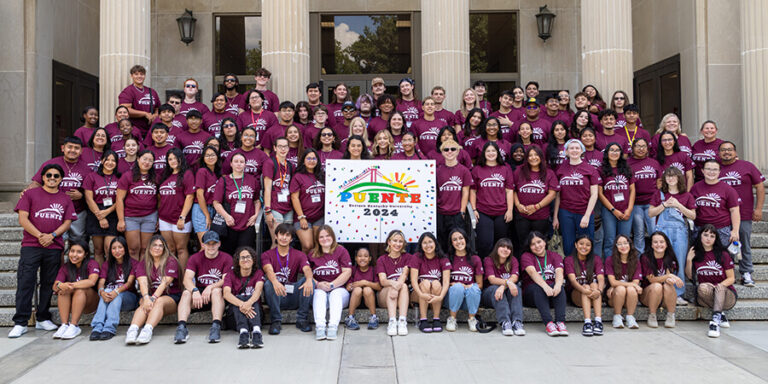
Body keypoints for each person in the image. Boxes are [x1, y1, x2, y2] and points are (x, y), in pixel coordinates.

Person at [9, 164, 77, 338]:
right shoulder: (30, 194)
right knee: (26, 281)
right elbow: (22, 219)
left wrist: (52, 235)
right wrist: (40, 235)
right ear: (43, 177)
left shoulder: (65, 198)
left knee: (48, 283)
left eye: (56, 176)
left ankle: (42, 317)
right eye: (49, 175)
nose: (52, 178)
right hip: (31, 245)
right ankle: (21, 321)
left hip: (53, 247)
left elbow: (67, 222)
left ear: (61, 179)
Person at [718, 141, 765, 287]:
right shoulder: (715, 168)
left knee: (744, 242)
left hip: (744, 212)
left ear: (735, 152)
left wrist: (758, 209)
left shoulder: (747, 166)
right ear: (719, 153)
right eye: (723, 150)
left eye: (730, 150)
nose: (727, 152)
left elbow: (760, 187)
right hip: (722, 214)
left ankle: (746, 272)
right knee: (725, 243)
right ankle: (728, 273)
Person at [28, 136, 91, 242]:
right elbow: (37, 183)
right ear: (63, 148)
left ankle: (75, 259)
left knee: (78, 241)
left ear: (81, 151)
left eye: (76, 148)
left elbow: (92, 190)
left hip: (78, 211)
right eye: (69, 147)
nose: (72, 150)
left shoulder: (86, 168)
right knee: (58, 242)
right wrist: (27, 192)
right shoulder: (50, 164)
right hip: (56, 212)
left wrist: (82, 195)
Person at [174, 231, 233, 344]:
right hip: (199, 295)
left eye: (214, 243)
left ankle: (216, 326)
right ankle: (181, 327)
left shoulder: (226, 258)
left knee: (217, 291)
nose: (211, 246)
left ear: (219, 244)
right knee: (186, 293)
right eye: (208, 244)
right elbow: (186, 279)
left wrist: (210, 287)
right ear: (203, 245)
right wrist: (194, 290)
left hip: (216, 295)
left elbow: (226, 280)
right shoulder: (195, 258)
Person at [649, 166, 697, 302]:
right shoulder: (659, 194)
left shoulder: (686, 195)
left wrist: (678, 205)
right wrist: (664, 205)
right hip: (663, 232)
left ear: (679, 178)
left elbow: (693, 215)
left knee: (680, 261)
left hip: (680, 232)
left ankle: (678, 294)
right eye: (668, 176)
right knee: (665, 262)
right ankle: (664, 291)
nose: (670, 178)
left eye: (673, 176)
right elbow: (651, 213)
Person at [125, 235, 182, 344]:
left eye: (161, 246)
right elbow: (142, 282)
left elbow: (164, 283)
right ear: (149, 248)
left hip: (171, 297)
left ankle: (147, 330)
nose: (157, 248)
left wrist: (152, 298)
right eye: (154, 245)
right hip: (150, 296)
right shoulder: (144, 262)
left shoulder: (171, 261)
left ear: (165, 248)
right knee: (143, 303)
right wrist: (146, 298)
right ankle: (132, 330)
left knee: (158, 301)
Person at [686, 224, 737, 338]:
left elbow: (731, 278)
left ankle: (714, 323)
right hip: (706, 294)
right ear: (700, 236)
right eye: (705, 235)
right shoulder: (696, 254)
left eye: (712, 236)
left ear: (716, 239)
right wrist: (689, 260)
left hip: (727, 294)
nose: (708, 238)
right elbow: (690, 276)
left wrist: (717, 287)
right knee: (702, 287)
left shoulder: (723, 254)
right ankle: (719, 314)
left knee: (719, 288)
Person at [262, 223, 314, 334]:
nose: (284, 238)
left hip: (292, 294)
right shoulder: (267, 254)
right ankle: (276, 321)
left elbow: (307, 269)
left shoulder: (299, 254)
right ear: (276, 236)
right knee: (268, 284)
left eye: (287, 235)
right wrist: (275, 281)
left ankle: (302, 319)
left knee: (309, 281)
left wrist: (309, 279)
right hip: (277, 295)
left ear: (291, 239)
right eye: (281, 234)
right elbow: (268, 270)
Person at [553, 139, 601, 257]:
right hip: (566, 212)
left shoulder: (590, 169)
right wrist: (555, 217)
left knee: (586, 243)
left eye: (577, 148)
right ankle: (571, 272)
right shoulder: (560, 169)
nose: (574, 150)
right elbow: (558, 195)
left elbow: (594, 194)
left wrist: (587, 215)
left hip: (584, 211)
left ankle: (587, 272)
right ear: (566, 152)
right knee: (568, 244)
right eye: (571, 148)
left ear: (582, 151)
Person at [470, 142, 514, 258]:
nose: (491, 153)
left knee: (500, 244)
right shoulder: (477, 170)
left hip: (502, 212)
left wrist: (510, 210)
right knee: (485, 243)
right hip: (483, 211)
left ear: (497, 153)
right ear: (483, 153)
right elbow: (473, 191)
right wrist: (474, 210)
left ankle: (498, 270)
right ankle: (484, 268)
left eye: (493, 151)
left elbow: (509, 191)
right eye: (488, 151)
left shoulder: (505, 169)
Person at [309, 226, 352, 340]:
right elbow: (307, 275)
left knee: (335, 294)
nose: (325, 239)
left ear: (332, 237)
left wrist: (332, 285)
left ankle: (333, 326)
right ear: (317, 239)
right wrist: (318, 284)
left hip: (339, 290)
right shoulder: (312, 254)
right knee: (318, 293)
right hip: (321, 289)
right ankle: (320, 327)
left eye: (328, 236)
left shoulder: (341, 250)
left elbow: (347, 272)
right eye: (321, 237)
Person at [89, 237, 138, 340]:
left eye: (120, 247)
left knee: (117, 295)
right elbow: (101, 282)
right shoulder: (107, 264)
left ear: (125, 249)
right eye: (114, 248)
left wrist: (116, 291)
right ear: (110, 250)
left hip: (129, 298)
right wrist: (101, 292)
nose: (117, 251)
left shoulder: (133, 263)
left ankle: (109, 328)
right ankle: (97, 328)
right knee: (106, 291)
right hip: (110, 296)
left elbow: (129, 283)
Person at [212, 152, 261, 254]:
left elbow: (256, 200)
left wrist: (256, 215)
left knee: (244, 253)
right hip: (229, 224)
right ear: (231, 164)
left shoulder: (252, 180)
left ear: (245, 164)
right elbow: (216, 202)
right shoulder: (224, 180)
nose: (239, 164)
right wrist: (226, 216)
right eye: (236, 161)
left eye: (241, 162)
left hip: (247, 224)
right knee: (228, 254)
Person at [521, 231, 568, 336]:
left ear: (545, 242)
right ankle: (549, 323)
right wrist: (545, 286)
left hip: (551, 294)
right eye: (533, 244)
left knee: (560, 287)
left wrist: (557, 285)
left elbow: (559, 272)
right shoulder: (526, 256)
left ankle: (560, 322)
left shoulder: (555, 255)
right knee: (538, 287)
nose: (537, 246)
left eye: (539, 242)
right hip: (532, 295)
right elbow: (533, 273)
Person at [513, 146, 558, 254]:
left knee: (540, 244)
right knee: (523, 244)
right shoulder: (519, 171)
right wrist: (518, 205)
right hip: (522, 215)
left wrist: (536, 206)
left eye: (536, 155)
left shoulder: (549, 173)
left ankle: (540, 268)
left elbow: (552, 194)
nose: (533, 158)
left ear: (541, 157)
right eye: (530, 155)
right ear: (527, 158)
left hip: (541, 215)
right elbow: (513, 190)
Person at [50, 240, 99, 340]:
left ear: (85, 254)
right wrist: (61, 285)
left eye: (79, 252)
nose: (74, 255)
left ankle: (74, 325)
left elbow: (92, 281)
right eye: (72, 251)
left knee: (79, 290)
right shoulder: (66, 267)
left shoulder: (92, 263)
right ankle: (64, 325)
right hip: (74, 303)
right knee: (63, 291)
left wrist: (70, 285)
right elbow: (55, 286)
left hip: (92, 302)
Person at [116, 150, 157, 260]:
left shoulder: (156, 177)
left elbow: (160, 199)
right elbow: (119, 199)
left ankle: (142, 274)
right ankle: (133, 274)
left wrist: (158, 218)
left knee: (145, 249)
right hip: (131, 217)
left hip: (150, 216)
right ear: (138, 159)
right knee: (133, 248)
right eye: (144, 159)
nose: (147, 162)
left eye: (150, 160)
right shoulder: (127, 176)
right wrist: (121, 220)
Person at [157, 148, 195, 268]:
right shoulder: (165, 176)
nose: (173, 161)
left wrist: (182, 217)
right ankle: (171, 276)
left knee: (181, 249)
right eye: (170, 159)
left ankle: (183, 279)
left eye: (175, 158)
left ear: (181, 159)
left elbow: (190, 197)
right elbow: (159, 198)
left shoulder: (187, 174)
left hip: (180, 217)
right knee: (170, 249)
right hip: (164, 218)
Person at [599, 142, 636, 257]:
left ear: (621, 153)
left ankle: (624, 268)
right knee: (610, 241)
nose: (614, 153)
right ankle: (611, 269)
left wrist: (629, 209)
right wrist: (613, 210)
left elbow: (632, 190)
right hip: (609, 211)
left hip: (626, 210)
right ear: (607, 153)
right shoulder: (601, 170)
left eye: (617, 150)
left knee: (625, 241)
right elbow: (600, 194)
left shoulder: (627, 169)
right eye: (611, 150)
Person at [223, 246, 265, 348]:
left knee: (251, 297)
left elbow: (258, 291)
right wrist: (243, 304)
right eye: (242, 257)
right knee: (239, 298)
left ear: (253, 259)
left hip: (255, 314)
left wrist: (248, 304)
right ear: (237, 261)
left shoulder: (258, 273)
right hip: (235, 317)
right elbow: (226, 294)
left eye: (248, 257)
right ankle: (244, 332)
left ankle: (256, 332)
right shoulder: (230, 274)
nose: (245, 259)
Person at [690, 159, 740, 245]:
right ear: (702, 171)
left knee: (722, 257)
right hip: (700, 229)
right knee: (700, 257)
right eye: (708, 169)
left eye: (715, 169)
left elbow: (734, 210)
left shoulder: (728, 189)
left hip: (721, 230)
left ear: (720, 171)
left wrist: (735, 230)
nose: (711, 172)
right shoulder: (695, 187)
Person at [434, 139, 472, 252]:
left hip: (456, 213)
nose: (449, 151)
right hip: (441, 213)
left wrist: (462, 211)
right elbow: (435, 191)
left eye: (453, 149)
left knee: (458, 242)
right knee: (442, 242)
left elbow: (465, 192)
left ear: (457, 152)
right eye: (446, 149)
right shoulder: (437, 171)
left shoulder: (464, 171)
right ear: (442, 152)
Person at [482, 238, 525, 336]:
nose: (505, 249)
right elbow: (492, 279)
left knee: (516, 289)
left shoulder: (513, 260)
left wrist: (503, 286)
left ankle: (517, 321)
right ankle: (505, 322)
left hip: (504, 291)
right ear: (497, 248)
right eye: (502, 246)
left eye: (508, 248)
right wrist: (508, 283)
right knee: (497, 288)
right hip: (489, 294)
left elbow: (515, 277)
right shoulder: (489, 260)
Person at [640, 232, 684, 328]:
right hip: (648, 296)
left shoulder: (670, 257)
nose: (659, 244)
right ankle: (652, 315)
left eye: (661, 242)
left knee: (668, 286)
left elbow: (668, 278)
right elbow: (652, 280)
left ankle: (671, 315)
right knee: (657, 286)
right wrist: (669, 276)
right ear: (651, 245)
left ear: (666, 244)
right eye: (655, 242)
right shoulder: (645, 257)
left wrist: (670, 278)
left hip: (664, 297)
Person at [83, 150, 120, 264]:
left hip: (113, 212)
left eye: (113, 160)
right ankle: (99, 277)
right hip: (96, 212)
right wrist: (100, 216)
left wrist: (107, 212)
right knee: (98, 250)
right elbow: (89, 199)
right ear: (102, 161)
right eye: (107, 159)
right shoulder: (92, 176)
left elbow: (121, 199)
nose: (110, 162)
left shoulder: (119, 177)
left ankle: (109, 277)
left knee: (109, 249)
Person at [409, 233, 451, 333]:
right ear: (420, 245)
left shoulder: (443, 258)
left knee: (436, 283)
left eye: (430, 242)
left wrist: (441, 297)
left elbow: (446, 281)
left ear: (435, 243)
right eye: (424, 243)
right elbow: (413, 280)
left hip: (436, 295)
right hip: (418, 294)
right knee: (426, 283)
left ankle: (436, 318)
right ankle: (423, 319)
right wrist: (421, 294)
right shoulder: (416, 257)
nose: (428, 245)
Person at [564, 235, 605, 336]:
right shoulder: (569, 260)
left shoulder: (596, 259)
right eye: (581, 244)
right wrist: (584, 290)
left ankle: (598, 321)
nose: (584, 247)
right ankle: (587, 323)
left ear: (591, 247)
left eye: (588, 245)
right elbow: (573, 281)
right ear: (576, 245)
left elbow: (601, 278)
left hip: (594, 295)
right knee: (586, 286)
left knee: (594, 285)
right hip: (577, 295)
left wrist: (599, 290)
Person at [627, 138, 662, 253]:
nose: (641, 149)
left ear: (647, 148)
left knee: (653, 231)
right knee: (639, 233)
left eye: (643, 146)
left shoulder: (654, 163)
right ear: (632, 148)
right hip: (636, 204)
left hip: (651, 203)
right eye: (638, 146)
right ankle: (640, 258)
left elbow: (659, 182)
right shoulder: (628, 163)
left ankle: (654, 256)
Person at [377, 230, 411, 336]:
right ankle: (392, 321)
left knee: (404, 285)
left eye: (401, 241)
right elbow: (383, 281)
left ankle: (402, 321)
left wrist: (396, 287)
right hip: (385, 295)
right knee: (393, 286)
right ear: (389, 242)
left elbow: (404, 275)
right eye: (395, 241)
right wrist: (393, 284)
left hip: (401, 294)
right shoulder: (382, 259)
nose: (398, 244)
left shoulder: (408, 257)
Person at [290, 149, 325, 254]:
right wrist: (301, 217)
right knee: (308, 245)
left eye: (314, 158)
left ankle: (314, 268)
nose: (311, 161)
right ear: (303, 161)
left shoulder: (322, 175)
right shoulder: (298, 176)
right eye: (308, 158)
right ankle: (303, 266)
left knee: (318, 246)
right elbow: (294, 198)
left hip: (320, 216)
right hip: (303, 217)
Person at [605, 235, 643, 329]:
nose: (623, 246)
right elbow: (613, 282)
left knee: (631, 289)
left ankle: (630, 317)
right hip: (614, 297)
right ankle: (617, 317)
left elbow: (635, 283)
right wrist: (615, 286)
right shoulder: (610, 260)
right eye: (619, 244)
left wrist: (620, 284)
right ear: (616, 247)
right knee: (622, 289)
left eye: (625, 243)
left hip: (630, 298)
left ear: (630, 244)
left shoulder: (636, 261)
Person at [264, 137, 295, 246]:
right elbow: (267, 188)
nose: (283, 149)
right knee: (277, 242)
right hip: (274, 208)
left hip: (288, 208)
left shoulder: (290, 165)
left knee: (286, 243)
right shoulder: (270, 163)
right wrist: (267, 210)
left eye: (285, 146)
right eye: (280, 146)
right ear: (275, 148)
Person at [118, 65, 160, 137]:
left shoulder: (152, 91)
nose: (139, 76)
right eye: (136, 74)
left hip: (151, 131)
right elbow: (125, 110)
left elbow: (158, 108)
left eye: (142, 74)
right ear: (132, 76)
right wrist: (145, 114)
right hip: (134, 131)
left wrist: (155, 115)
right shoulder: (128, 91)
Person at [345, 248, 381, 330]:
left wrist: (364, 282)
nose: (362, 258)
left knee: (367, 289)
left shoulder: (373, 270)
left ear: (370, 258)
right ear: (355, 258)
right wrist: (355, 286)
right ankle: (350, 318)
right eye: (359, 256)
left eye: (366, 256)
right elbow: (348, 287)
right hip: (355, 300)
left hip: (369, 301)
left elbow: (379, 286)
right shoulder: (353, 270)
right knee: (358, 290)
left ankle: (374, 317)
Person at [193, 146, 221, 244]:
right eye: (207, 155)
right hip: (201, 210)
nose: (210, 157)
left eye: (213, 155)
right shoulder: (202, 172)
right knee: (205, 245)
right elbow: (199, 195)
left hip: (211, 209)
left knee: (211, 244)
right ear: (203, 158)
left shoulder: (216, 173)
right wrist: (207, 215)